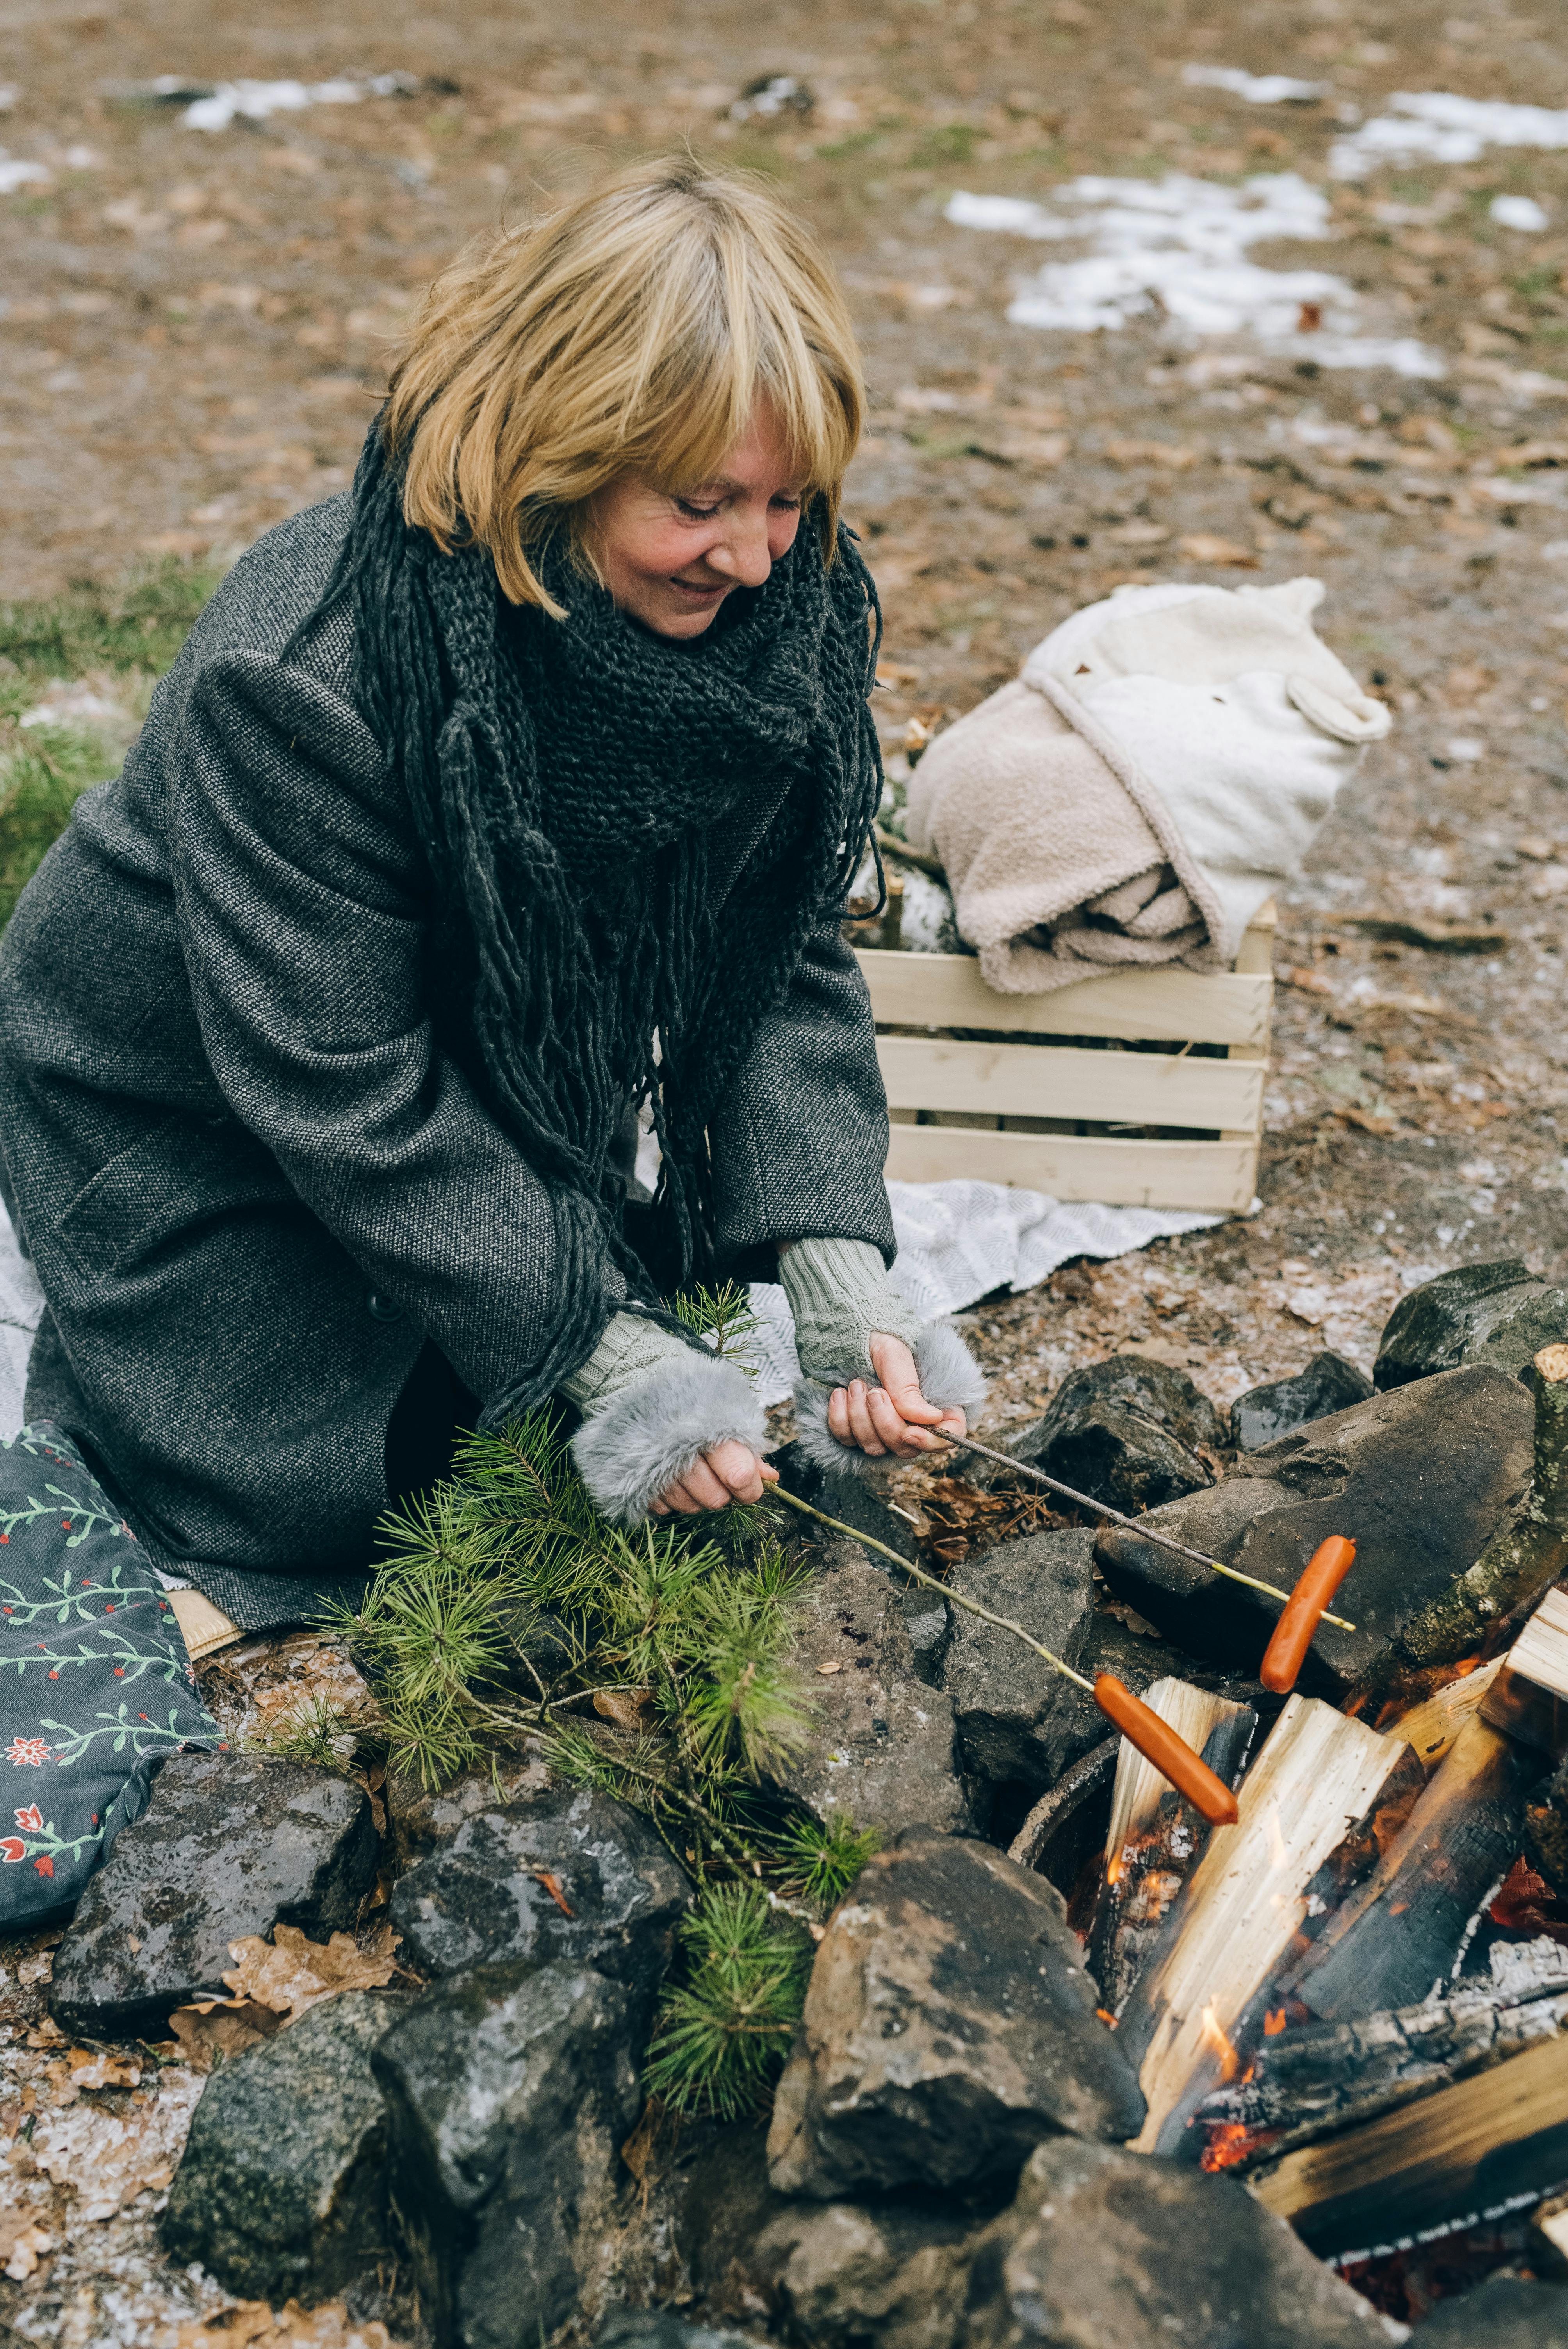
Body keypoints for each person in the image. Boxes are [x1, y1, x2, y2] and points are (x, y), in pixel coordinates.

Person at [0, 156, 983, 1634]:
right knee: (406, 1471)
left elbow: (767, 954)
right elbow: (338, 1082)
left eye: (791, 498)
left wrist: (835, 1262)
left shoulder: (778, 613)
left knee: (600, 1375)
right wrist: (599, 1347)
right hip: (202, 1113)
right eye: (700, 501)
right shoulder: (313, 671)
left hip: (461, 1055)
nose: (755, 552)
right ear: (557, 453)